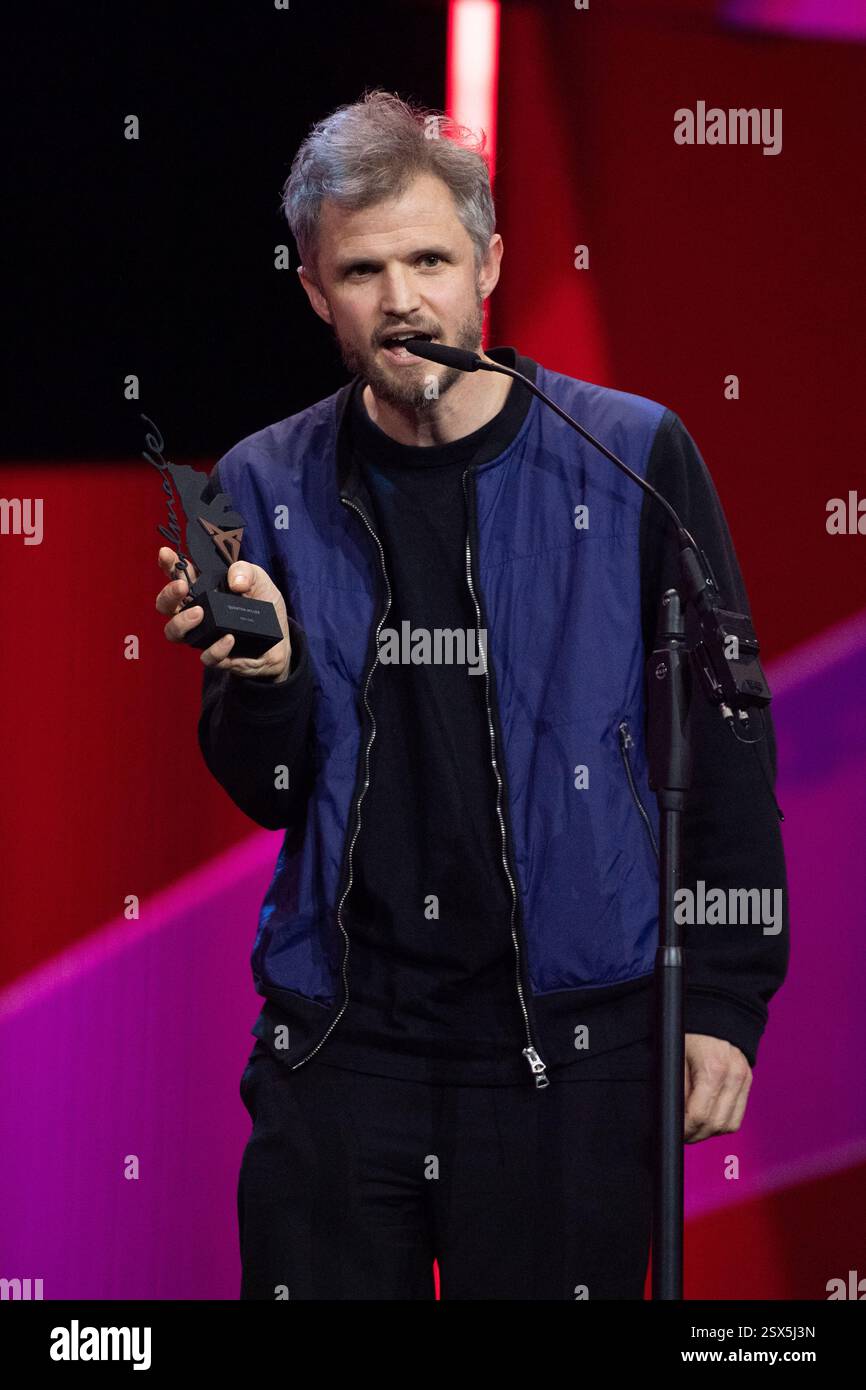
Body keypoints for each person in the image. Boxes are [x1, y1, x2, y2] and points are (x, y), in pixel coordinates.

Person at [155, 91, 789, 1300]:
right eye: (363, 269)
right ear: (312, 290)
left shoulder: (629, 454)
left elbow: (723, 731)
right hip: (341, 1056)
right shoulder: (260, 481)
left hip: (575, 1055)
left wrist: (721, 994)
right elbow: (264, 791)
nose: (401, 300)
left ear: (488, 264)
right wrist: (269, 680)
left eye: (431, 259)